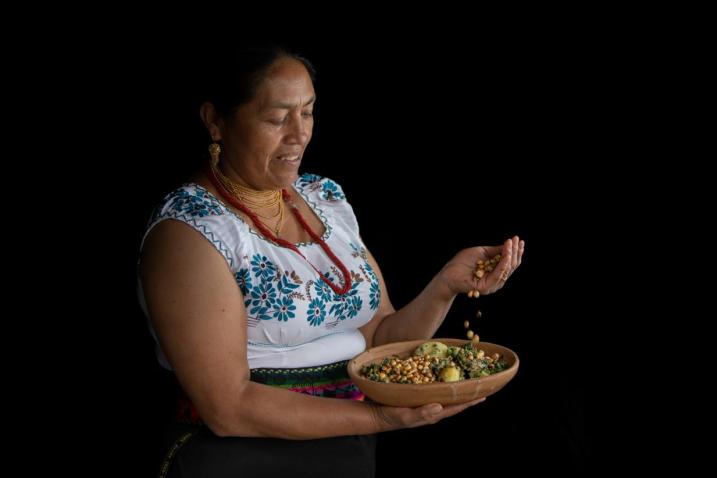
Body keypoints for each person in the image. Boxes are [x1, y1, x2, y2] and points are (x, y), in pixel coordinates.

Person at [137, 47, 525, 478]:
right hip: (241, 462)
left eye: (308, 112)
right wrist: (380, 418)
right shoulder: (190, 232)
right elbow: (228, 409)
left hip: (347, 455)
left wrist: (445, 286)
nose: (299, 133)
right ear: (216, 120)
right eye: (276, 117)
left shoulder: (324, 199)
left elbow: (380, 339)